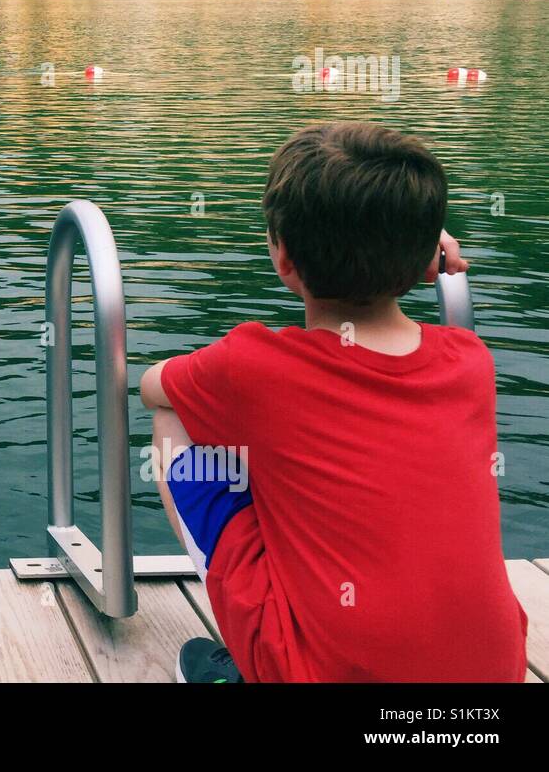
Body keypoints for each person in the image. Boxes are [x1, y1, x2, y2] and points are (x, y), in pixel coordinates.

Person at [139, 122, 527, 683]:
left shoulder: (252, 366)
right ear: (427, 259)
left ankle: (250, 661)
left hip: (319, 675)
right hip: (487, 683)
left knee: (177, 413)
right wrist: (414, 245)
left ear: (283, 257)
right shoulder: (470, 362)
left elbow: (154, 384)